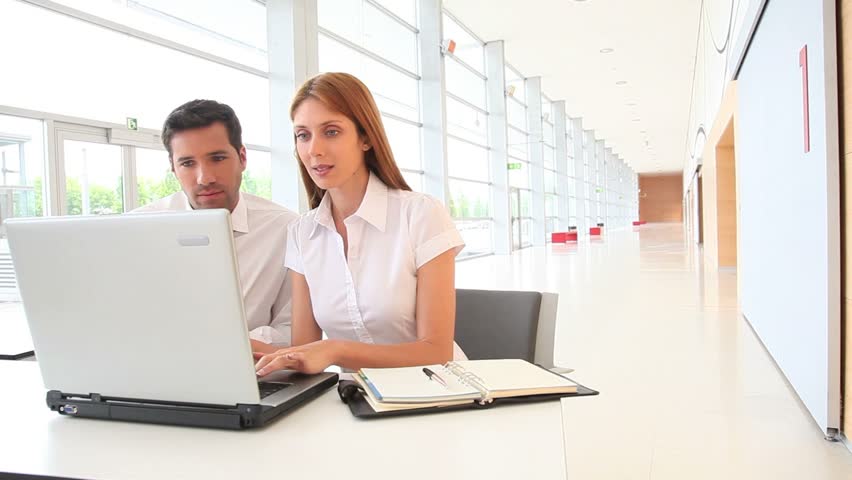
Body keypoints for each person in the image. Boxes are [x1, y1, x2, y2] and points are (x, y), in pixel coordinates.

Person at [255, 72, 466, 376]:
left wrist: (336, 350)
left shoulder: (421, 215)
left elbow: (436, 353)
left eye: (331, 132)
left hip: (438, 388)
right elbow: (304, 351)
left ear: (365, 138)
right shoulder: (302, 232)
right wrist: (249, 349)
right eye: (303, 135)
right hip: (358, 397)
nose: (314, 150)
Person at [134, 99, 297, 353]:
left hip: (252, 369)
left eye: (217, 158)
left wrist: (225, 346)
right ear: (173, 168)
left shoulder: (285, 228)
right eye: (187, 163)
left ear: (242, 158)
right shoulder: (138, 229)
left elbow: (293, 330)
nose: (205, 178)